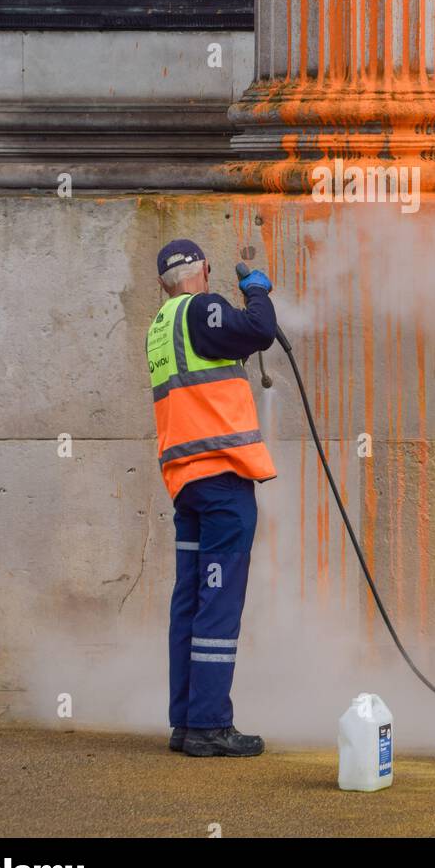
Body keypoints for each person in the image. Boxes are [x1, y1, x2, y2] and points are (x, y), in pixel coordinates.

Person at [146, 239, 277, 757]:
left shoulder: (160, 326)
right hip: (223, 479)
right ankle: (209, 726)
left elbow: (225, 351)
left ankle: (185, 721)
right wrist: (257, 291)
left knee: (191, 601)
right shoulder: (203, 308)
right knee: (218, 603)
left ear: (162, 282)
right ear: (203, 269)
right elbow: (259, 329)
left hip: (186, 481)